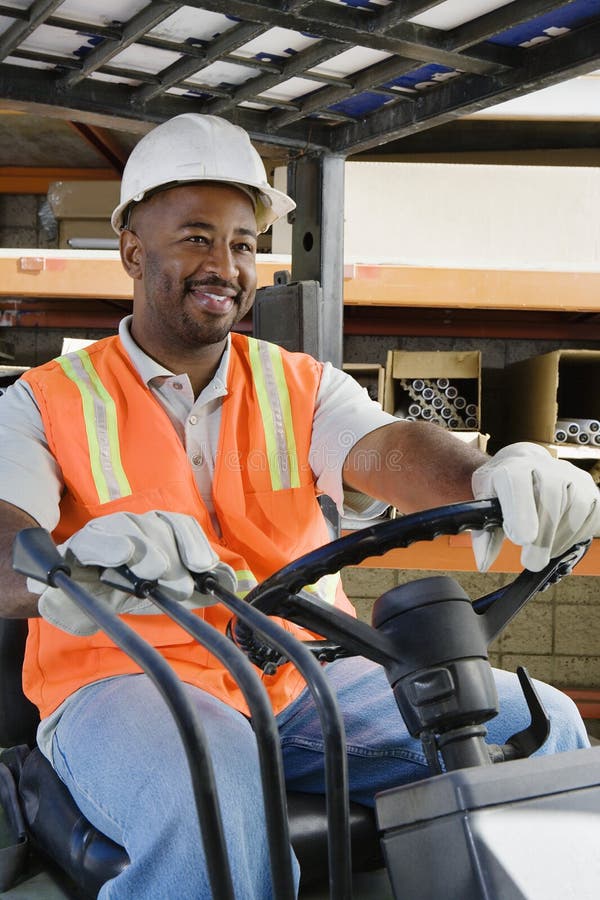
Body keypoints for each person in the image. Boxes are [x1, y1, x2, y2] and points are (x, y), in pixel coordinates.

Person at [0, 113, 597, 900]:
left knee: (538, 724)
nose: (225, 265)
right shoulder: (43, 401)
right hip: (126, 682)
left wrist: (487, 477)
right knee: (215, 787)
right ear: (132, 252)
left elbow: (388, 448)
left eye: (244, 243)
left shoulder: (300, 385)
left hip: (302, 671)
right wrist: (67, 572)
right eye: (196, 238)